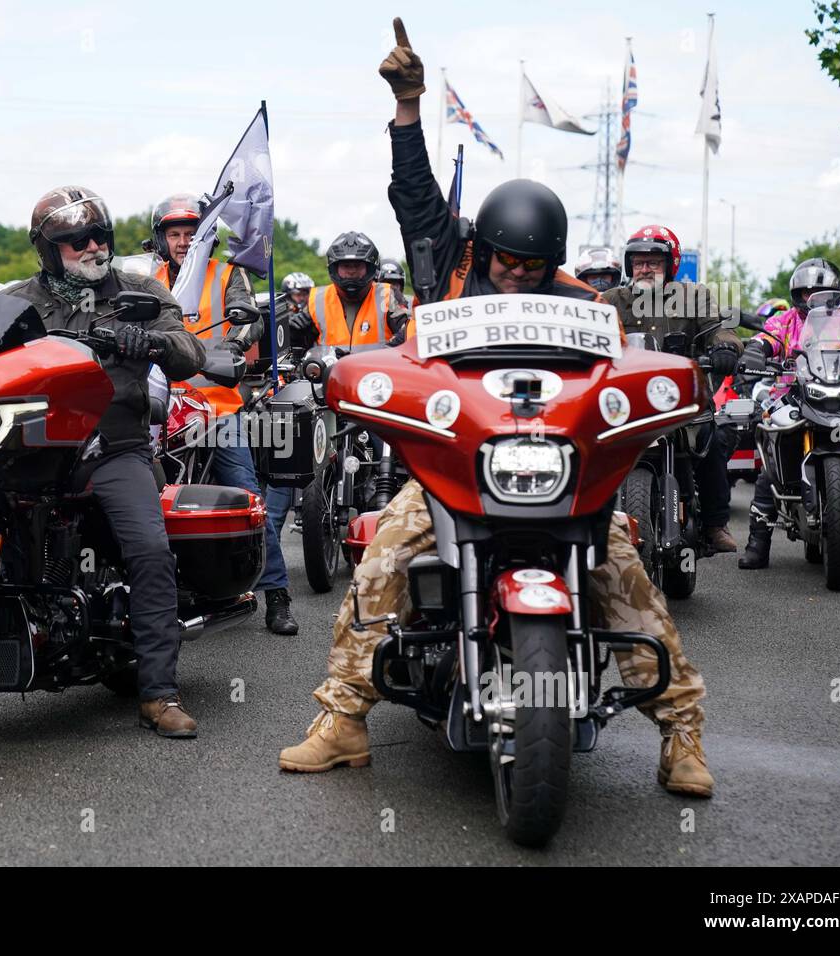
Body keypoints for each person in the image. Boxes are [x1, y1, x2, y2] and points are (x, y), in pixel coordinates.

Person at [278, 18, 715, 797]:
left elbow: (619, 363)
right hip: (458, 469)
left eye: (533, 264)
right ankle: (343, 721)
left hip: (561, 472)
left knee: (626, 577)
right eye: (506, 260)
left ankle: (682, 736)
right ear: (482, 249)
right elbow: (415, 202)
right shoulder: (451, 267)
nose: (517, 275)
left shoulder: (582, 300)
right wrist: (409, 108)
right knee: (382, 561)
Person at [11, 185, 206, 737]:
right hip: (30, 445)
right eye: (76, 240)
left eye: (99, 236)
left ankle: (159, 693)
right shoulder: (15, 301)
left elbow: (188, 351)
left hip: (111, 443)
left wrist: (145, 341)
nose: (92, 246)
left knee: (148, 550)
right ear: (49, 249)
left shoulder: (139, 290)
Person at [150, 192, 299, 635]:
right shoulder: (146, 278)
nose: (182, 241)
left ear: (205, 238)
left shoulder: (226, 274)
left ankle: (277, 594)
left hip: (215, 406)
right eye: (174, 234)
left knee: (245, 491)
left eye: (190, 233)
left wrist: (232, 346)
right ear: (161, 240)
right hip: (158, 408)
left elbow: (248, 318)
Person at [736, 258, 840, 570]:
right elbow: (766, 337)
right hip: (799, 394)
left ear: (836, 292)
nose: (812, 298)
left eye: (820, 291)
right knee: (770, 465)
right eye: (806, 293)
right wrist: (756, 349)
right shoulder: (786, 321)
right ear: (796, 295)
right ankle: (758, 544)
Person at [602, 225, 742, 553]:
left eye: (654, 262)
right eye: (638, 262)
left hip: (679, 400)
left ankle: (714, 525)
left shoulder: (694, 297)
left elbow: (722, 330)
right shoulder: (610, 301)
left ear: (671, 265)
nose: (645, 268)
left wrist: (724, 348)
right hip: (627, 401)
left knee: (713, 439)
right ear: (628, 266)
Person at [304, 232, 411, 348]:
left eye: (357, 265)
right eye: (346, 266)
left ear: (370, 268)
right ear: (334, 268)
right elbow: (298, 348)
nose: (351, 271)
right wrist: (294, 333)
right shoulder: (317, 299)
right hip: (330, 366)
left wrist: (388, 350)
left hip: (379, 365)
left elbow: (409, 330)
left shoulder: (387, 295)